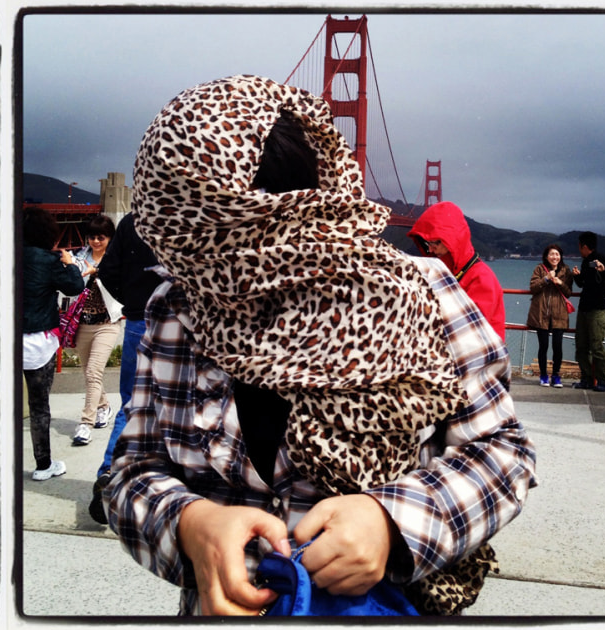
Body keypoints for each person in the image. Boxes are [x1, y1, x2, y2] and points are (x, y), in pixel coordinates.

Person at [107, 75, 536, 617]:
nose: (169, 244)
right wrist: (188, 525)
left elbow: (503, 452)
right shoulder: (176, 308)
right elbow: (131, 469)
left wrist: (392, 524)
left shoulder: (423, 292)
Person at [88, 211, 161, 523]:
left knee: (132, 404)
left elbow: (107, 273)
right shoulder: (195, 212)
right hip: (185, 323)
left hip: (138, 322)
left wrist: (132, 301)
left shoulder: (133, 221)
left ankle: (109, 474)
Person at [22, 207, 84, 480]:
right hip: (37, 344)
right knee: (39, 406)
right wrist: (70, 263)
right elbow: (74, 288)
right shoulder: (49, 261)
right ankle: (43, 465)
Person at [408, 201, 507, 343]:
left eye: (434, 242)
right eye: (426, 243)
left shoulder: (482, 278)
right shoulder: (445, 271)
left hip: (478, 361)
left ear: (450, 239)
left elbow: (469, 333)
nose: (430, 249)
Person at [69, 214, 123, 446]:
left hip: (108, 323)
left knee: (93, 372)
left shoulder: (116, 259)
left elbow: (121, 282)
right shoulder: (79, 257)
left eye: (101, 237)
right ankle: (104, 406)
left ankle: (85, 424)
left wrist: (97, 273)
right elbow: (69, 284)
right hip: (82, 323)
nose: (96, 242)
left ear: (110, 238)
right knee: (88, 372)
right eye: (92, 237)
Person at [571, 231, 605, 392]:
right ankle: (587, 378)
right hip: (584, 309)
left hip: (597, 310)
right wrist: (577, 276)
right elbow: (582, 284)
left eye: (579, 246)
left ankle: (603, 380)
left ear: (584, 246)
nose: (579, 249)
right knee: (581, 345)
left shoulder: (601, 258)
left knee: (596, 346)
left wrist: (603, 270)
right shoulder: (585, 262)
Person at [525, 244, 571, 387]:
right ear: (546, 256)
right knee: (543, 346)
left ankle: (556, 376)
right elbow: (533, 288)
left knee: (558, 346)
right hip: (541, 314)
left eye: (557, 254)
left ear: (560, 256)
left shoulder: (566, 270)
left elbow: (569, 292)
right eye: (552, 254)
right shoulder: (539, 269)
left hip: (559, 314)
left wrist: (560, 282)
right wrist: (546, 279)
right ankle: (544, 375)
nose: (555, 257)